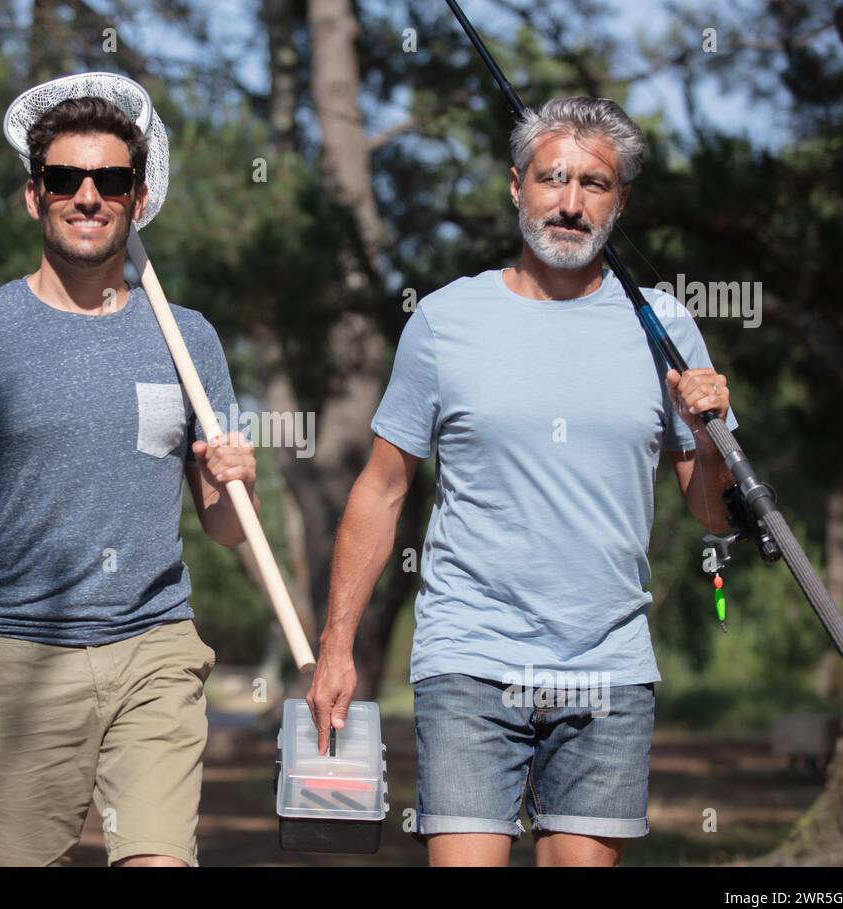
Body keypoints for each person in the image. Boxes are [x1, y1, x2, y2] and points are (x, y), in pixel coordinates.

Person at [306, 97, 739, 867]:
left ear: (621, 201)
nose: (570, 204)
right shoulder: (445, 321)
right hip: (472, 655)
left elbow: (712, 514)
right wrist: (336, 646)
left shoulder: (665, 328)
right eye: (553, 178)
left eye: (594, 185)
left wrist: (708, 432)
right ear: (517, 186)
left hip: (607, 664)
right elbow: (381, 489)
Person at [0, 88, 256, 867]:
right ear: (35, 195)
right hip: (18, 656)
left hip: (154, 648)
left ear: (138, 197)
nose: (87, 197)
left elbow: (227, 528)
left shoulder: (187, 338)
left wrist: (239, 483)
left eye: (111, 180)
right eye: (64, 179)